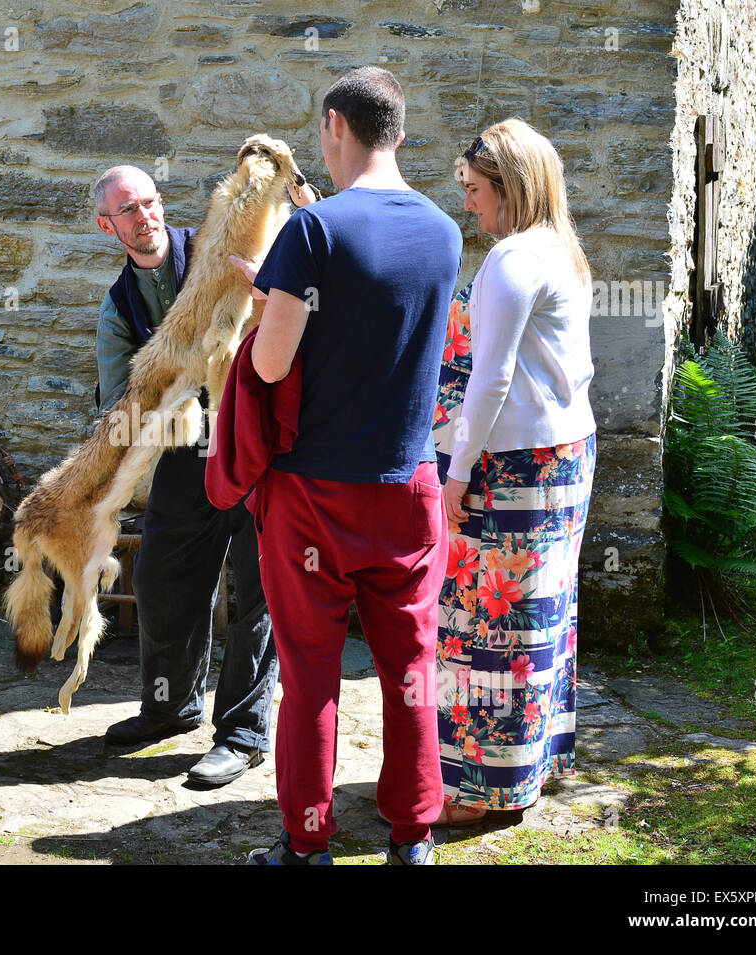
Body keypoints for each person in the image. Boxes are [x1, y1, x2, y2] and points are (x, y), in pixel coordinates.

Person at [240, 67, 462, 864]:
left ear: (335, 125)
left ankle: (307, 840)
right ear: (398, 131)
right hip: (408, 484)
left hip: (313, 494)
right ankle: (414, 835)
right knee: (411, 664)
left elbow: (269, 367)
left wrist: (267, 302)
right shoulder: (444, 228)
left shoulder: (314, 231)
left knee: (309, 671)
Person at [92, 164, 311, 786]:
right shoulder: (119, 306)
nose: (146, 216)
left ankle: (242, 735)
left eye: (152, 201)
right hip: (186, 451)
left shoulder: (217, 249)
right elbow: (121, 404)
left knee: (256, 588)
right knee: (162, 577)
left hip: (257, 444)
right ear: (108, 226)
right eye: (129, 210)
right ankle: (170, 707)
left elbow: (282, 296)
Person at [433, 118, 596, 825]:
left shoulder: (510, 259)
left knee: (484, 630)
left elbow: (491, 382)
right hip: (565, 455)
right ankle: (530, 768)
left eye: (474, 190)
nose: (467, 204)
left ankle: (477, 790)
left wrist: (457, 472)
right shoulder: (561, 249)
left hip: (513, 466)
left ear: (510, 187)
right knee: (541, 617)